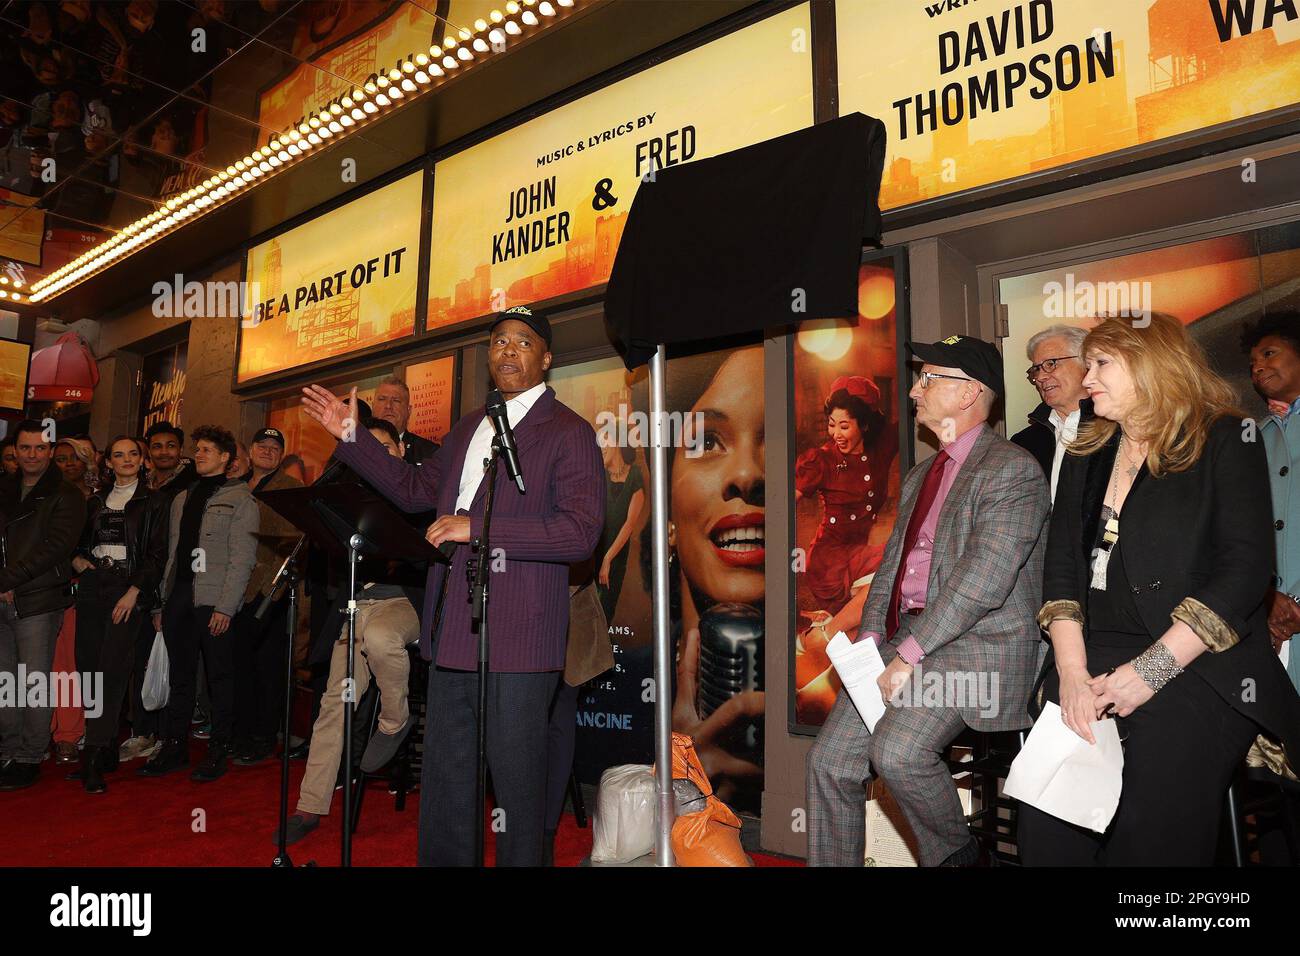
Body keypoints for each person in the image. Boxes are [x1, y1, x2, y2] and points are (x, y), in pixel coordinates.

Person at [301, 306, 604, 866]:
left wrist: (479, 528)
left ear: (546, 358)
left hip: (520, 635)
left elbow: (578, 534)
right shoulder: (470, 426)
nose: (507, 351)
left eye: (522, 342)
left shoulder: (569, 432)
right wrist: (353, 438)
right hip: (452, 630)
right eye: (498, 342)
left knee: (517, 789)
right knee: (447, 783)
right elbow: (415, 490)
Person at [1020, 313, 1300, 866]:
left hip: (1198, 663)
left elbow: (1245, 571)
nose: (1087, 378)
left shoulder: (1225, 435)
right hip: (1092, 657)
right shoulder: (1087, 449)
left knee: (1146, 827)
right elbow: (1061, 569)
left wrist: (1149, 673)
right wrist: (1071, 677)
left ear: (1150, 365)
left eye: (1101, 364)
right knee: (1049, 830)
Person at [806, 335, 1049, 867]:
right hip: (908, 639)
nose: (915, 390)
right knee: (829, 763)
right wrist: (871, 640)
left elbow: (983, 581)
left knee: (898, 751)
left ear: (968, 394)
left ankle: (957, 857)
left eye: (929, 378)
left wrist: (908, 653)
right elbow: (890, 568)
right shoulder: (923, 473)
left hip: (976, 644)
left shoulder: (1013, 469)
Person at [273, 418, 425, 845]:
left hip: (406, 605)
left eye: (383, 448)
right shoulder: (353, 500)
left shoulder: (421, 490)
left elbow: (434, 557)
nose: (375, 456)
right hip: (362, 605)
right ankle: (310, 804)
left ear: (401, 449)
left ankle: (395, 719)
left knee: (378, 636)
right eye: (366, 449)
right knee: (334, 702)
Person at [140, 425, 259, 782]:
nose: (201, 454)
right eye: (199, 448)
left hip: (213, 600)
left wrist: (226, 607)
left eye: (208, 449)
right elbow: (174, 555)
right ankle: (174, 746)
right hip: (178, 596)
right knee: (180, 676)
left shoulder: (242, 500)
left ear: (226, 459)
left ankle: (218, 749)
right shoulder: (181, 498)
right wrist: (161, 603)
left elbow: (243, 559)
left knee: (220, 677)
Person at [67, 435, 167, 793]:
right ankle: (105, 746)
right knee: (88, 668)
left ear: (143, 461)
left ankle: (92, 756)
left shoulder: (155, 502)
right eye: (118, 455)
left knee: (111, 670)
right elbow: (75, 544)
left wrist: (134, 592)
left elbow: (157, 555)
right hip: (94, 588)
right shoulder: (94, 502)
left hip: (128, 591)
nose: (126, 460)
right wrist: (78, 560)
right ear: (107, 462)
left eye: (133, 454)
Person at [0, 420, 86, 791]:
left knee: (34, 683)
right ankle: (8, 750)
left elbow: (55, 548)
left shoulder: (66, 495)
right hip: (2, 598)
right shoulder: (3, 490)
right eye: (25, 448)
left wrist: (7, 581)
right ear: (15, 452)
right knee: (6, 683)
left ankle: (29, 757)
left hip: (37, 599)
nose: (32, 454)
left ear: (50, 452)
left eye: (39, 448)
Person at [231, 427, 302, 765]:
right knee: (239, 667)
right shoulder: (236, 484)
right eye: (263, 445)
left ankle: (263, 737)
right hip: (233, 590)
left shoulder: (291, 488)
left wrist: (270, 589)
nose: (269, 451)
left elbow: (292, 543)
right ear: (250, 449)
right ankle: (239, 732)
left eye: (276, 447)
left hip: (269, 593)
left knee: (267, 669)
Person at [795, 375, 891, 614]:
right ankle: (820, 632)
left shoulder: (881, 449)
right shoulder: (822, 460)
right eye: (831, 423)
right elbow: (781, 507)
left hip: (858, 558)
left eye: (844, 426)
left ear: (865, 425)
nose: (835, 433)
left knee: (899, 566)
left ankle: (822, 629)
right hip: (829, 565)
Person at [1244, 309, 1300, 697]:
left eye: (1269, 354)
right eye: (1252, 363)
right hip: (1268, 622)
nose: (1258, 367)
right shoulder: (1250, 438)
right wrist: (1266, 600)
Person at [1011, 324, 1091, 501]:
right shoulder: (1024, 444)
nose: (1040, 377)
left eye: (1051, 364)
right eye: (1036, 369)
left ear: (1087, 363)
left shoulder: (1116, 432)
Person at [594, 428, 644, 623]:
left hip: (615, 558)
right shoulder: (599, 475)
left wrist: (607, 559)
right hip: (594, 555)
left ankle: (603, 653)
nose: (601, 447)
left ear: (617, 441)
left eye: (604, 440)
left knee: (605, 612)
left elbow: (629, 524)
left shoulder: (635, 475)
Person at [372, 375, 439, 465]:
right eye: (382, 399)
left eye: (396, 400)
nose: (388, 406)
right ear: (372, 406)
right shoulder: (357, 448)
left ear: (409, 410)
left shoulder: (430, 454)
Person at [144, 421, 194, 500]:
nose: (164, 452)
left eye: (171, 446)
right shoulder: (142, 483)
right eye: (157, 446)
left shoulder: (192, 484)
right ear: (149, 452)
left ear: (181, 450)